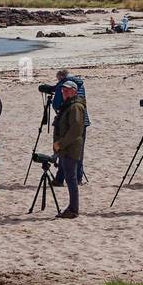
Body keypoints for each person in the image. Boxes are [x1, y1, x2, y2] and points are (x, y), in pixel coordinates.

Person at [52, 82, 87, 219]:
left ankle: (73, 209)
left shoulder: (76, 107)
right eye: (63, 91)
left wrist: (61, 143)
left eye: (67, 90)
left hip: (70, 147)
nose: (64, 93)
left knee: (71, 179)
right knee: (69, 177)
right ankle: (72, 208)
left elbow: (76, 129)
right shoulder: (69, 105)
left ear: (74, 91)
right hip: (66, 147)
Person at [50, 68, 88, 186]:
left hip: (67, 120)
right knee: (78, 150)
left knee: (64, 150)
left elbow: (56, 104)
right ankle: (78, 178)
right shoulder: (80, 84)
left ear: (61, 77)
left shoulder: (63, 85)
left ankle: (60, 179)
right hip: (84, 119)